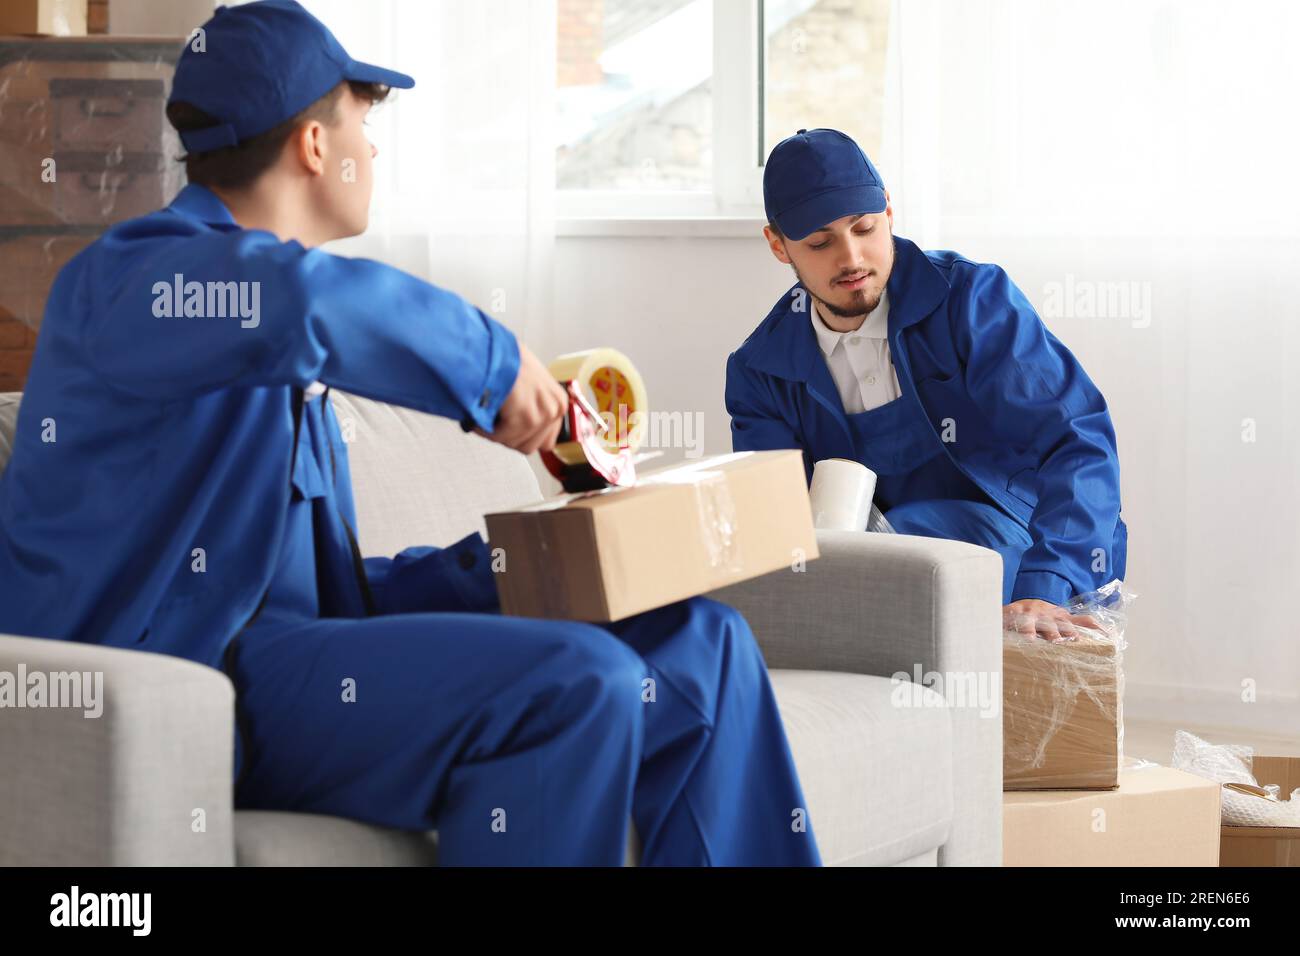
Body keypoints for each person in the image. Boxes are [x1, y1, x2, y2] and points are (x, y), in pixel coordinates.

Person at [0, 0, 820, 867]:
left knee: (699, 643)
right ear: (315, 144)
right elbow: (306, 301)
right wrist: (497, 367)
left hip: (289, 660)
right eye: (361, 120)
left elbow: (325, 599)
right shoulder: (129, 282)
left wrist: (507, 566)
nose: (373, 148)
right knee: (578, 686)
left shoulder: (273, 343)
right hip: (183, 686)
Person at [726, 128, 1126, 642]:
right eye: (820, 242)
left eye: (865, 228)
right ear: (778, 246)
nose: (851, 258)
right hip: (880, 577)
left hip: (1033, 545)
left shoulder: (974, 303)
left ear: (889, 212)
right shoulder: (760, 371)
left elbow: (1077, 439)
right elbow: (778, 531)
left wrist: (1047, 584)